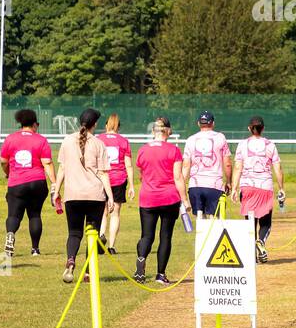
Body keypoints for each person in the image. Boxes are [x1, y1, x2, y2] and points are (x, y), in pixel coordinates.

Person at [53, 108, 116, 283]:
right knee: (92, 235)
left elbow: (62, 168)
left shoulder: (67, 141)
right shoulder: (98, 144)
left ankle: (71, 260)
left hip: (73, 195)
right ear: (94, 124)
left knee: (74, 233)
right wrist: (110, 196)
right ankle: (88, 272)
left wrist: (56, 191)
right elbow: (103, 173)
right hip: (95, 196)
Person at [133, 117, 189, 285]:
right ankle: (160, 274)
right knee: (165, 236)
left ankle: (141, 258)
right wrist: (185, 200)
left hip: (148, 197)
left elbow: (141, 173)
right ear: (168, 131)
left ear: (153, 131)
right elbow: (178, 177)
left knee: (146, 235)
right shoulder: (174, 150)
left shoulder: (143, 150)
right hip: (169, 198)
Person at [0, 109, 55, 257]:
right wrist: (54, 183)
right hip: (37, 182)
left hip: (17, 182)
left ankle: (10, 234)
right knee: (35, 215)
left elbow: (3, 161)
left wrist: (8, 172)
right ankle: (35, 249)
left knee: (14, 215)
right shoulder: (41, 140)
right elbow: (47, 162)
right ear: (34, 124)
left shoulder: (10, 139)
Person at [231, 116, 283, 263]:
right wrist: (281, 188)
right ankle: (260, 241)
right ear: (263, 128)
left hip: (247, 187)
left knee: (250, 222)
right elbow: (278, 168)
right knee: (266, 222)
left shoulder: (242, 145)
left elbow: (237, 167)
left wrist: (234, 188)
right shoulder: (270, 145)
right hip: (265, 187)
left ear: (249, 128)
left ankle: (251, 257)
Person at [182, 110, 230, 220]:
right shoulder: (220, 137)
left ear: (198, 123)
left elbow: (186, 166)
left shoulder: (190, 140)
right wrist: (228, 181)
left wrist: (182, 185)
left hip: (195, 185)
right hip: (214, 185)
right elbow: (227, 163)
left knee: (200, 219)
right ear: (213, 123)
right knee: (215, 220)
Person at [98, 114, 134, 254]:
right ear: (118, 127)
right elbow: (128, 165)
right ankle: (111, 246)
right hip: (119, 179)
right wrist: (131, 185)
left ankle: (101, 236)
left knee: (103, 212)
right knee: (115, 213)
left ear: (106, 125)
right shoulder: (123, 141)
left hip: (101, 178)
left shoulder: (98, 139)